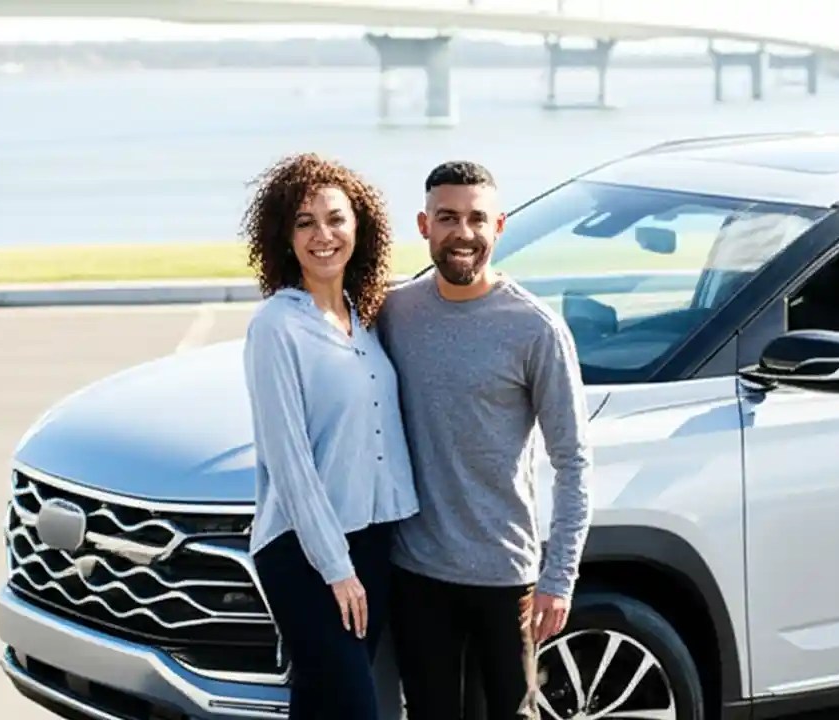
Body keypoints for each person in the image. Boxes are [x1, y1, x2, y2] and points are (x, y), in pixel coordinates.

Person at [377, 160, 593, 719]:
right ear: (424, 226)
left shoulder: (535, 328)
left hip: (507, 578)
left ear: (499, 226)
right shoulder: (395, 311)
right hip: (417, 572)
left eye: (476, 219)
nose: (463, 233)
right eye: (447, 217)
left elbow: (572, 461)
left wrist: (559, 579)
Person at [239, 153, 418, 720]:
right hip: (304, 551)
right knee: (354, 706)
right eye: (305, 222)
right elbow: (290, 465)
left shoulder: (364, 318)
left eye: (336, 219)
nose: (324, 235)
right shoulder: (275, 327)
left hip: (372, 540)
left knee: (321, 705)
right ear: (283, 237)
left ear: (359, 227)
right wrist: (336, 568)